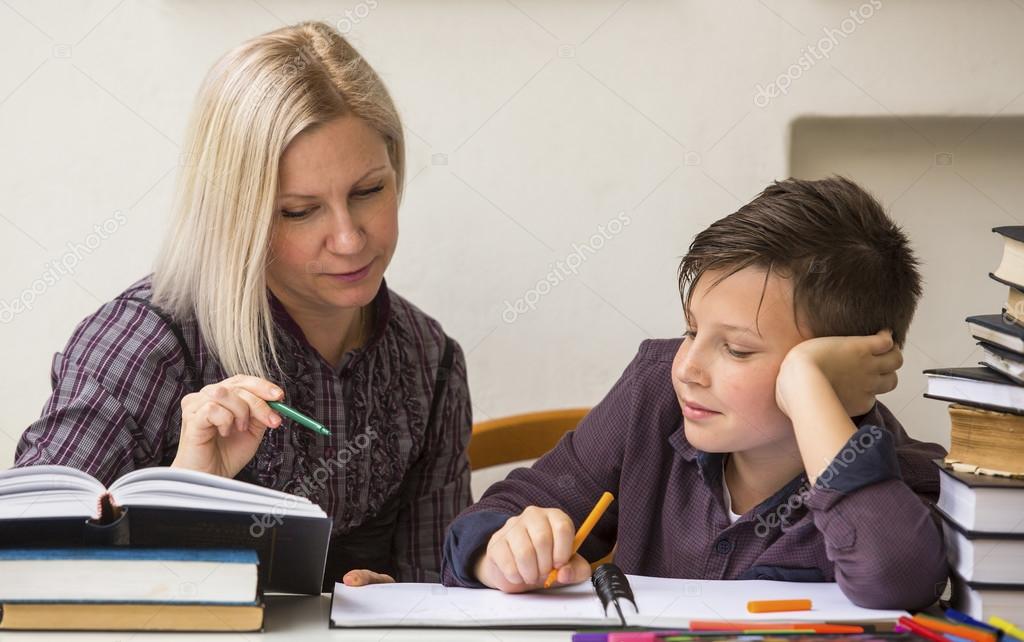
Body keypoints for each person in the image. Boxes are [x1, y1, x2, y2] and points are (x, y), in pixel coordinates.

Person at [14, 21, 471, 591]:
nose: (350, 239)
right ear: (238, 216)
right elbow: (24, 564)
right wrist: (183, 488)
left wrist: (402, 609)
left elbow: (440, 592)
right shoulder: (142, 343)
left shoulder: (431, 360)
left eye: (368, 191)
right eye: (299, 211)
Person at [441, 176, 947, 610]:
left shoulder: (900, 482)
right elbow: (507, 509)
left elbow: (896, 580)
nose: (687, 369)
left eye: (738, 350)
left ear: (843, 368)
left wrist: (807, 387)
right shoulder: (653, 393)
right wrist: (500, 551)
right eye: (690, 331)